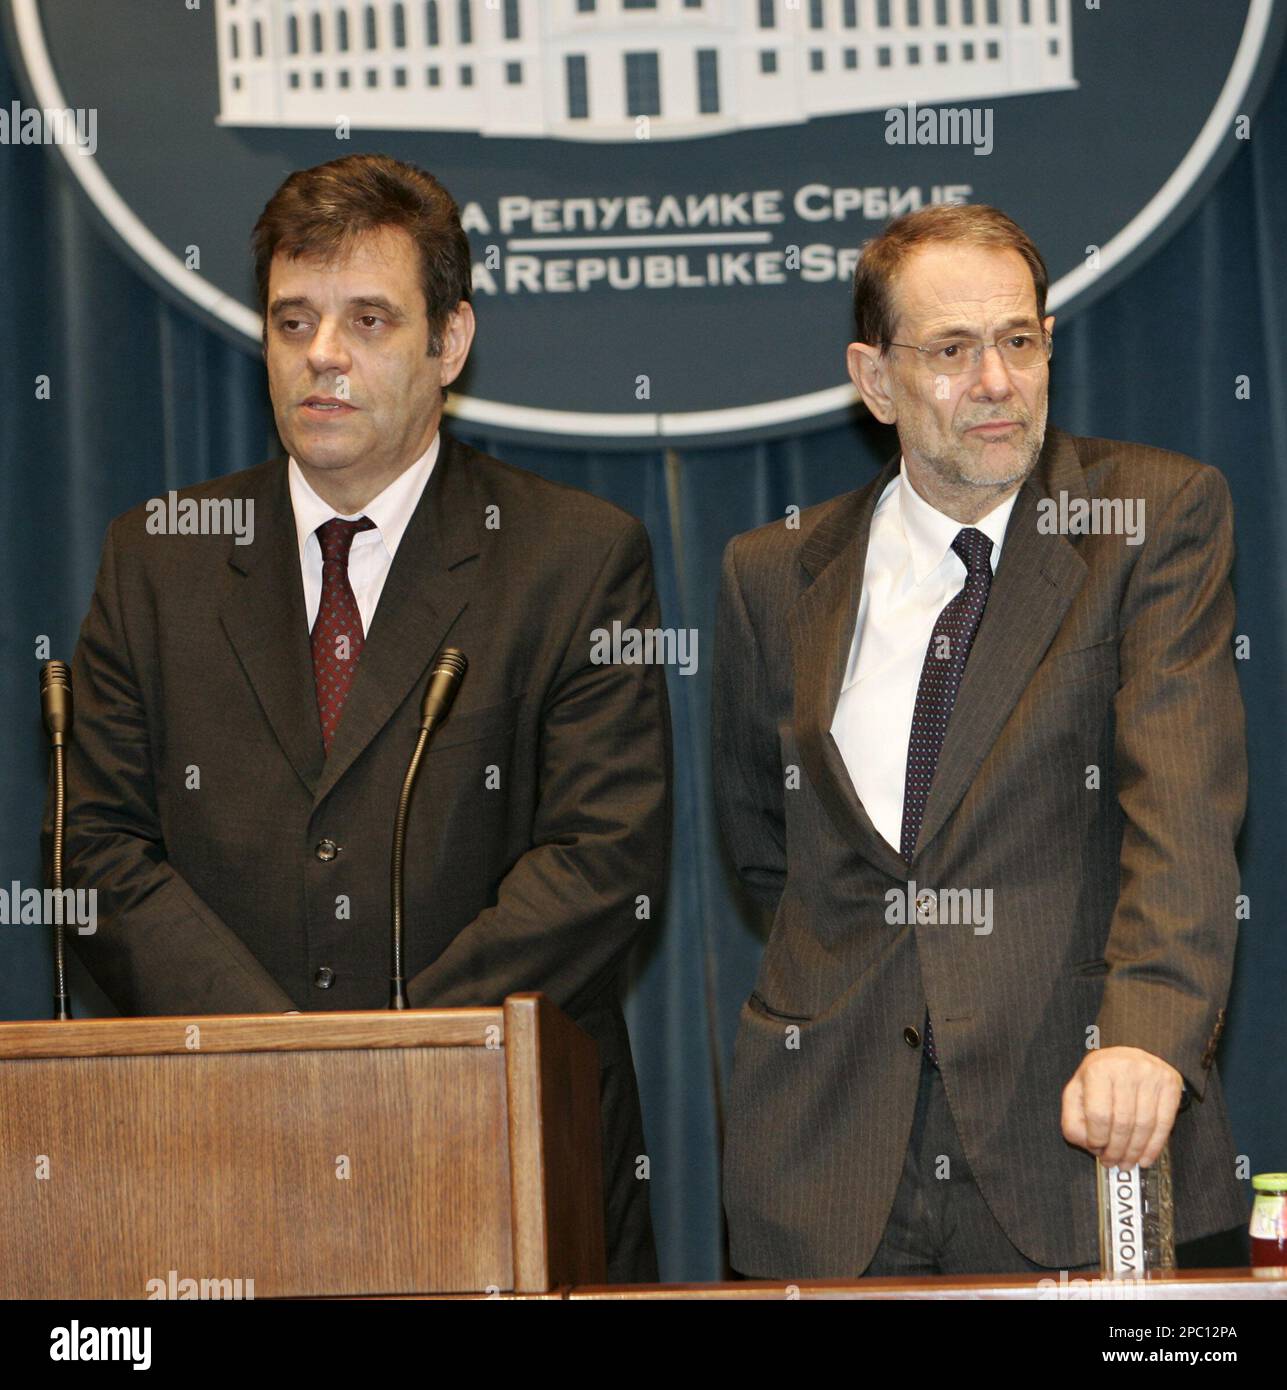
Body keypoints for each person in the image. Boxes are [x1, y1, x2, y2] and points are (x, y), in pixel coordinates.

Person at [50, 154, 671, 1284]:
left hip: (494, 1141)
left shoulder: (574, 558)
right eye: (293, 321)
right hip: (215, 1147)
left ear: (450, 341)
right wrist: (276, 1059)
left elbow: (602, 859)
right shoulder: (158, 557)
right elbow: (94, 851)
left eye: (368, 320)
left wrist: (393, 1056)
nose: (322, 354)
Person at [714, 203, 1246, 1277]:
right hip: (827, 1161)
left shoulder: (1147, 518)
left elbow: (1183, 811)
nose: (996, 381)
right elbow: (766, 848)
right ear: (874, 380)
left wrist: (1146, 1033)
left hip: (1078, 1128)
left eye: (1018, 341)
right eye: (951, 351)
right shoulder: (772, 571)